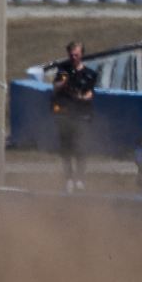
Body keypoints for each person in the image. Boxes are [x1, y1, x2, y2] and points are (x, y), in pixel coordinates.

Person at [52, 41, 98, 194]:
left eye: (76, 55)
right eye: (71, 55)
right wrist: (63, 84)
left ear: (81, 55)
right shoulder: (63, 70)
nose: (73, 57)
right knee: (66, 150)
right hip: (65, 114)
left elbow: (90, 94)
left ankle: (80, 179)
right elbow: (56, 87)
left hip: (82, 115)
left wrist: (82, 97)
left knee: (81, 148)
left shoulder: (90, 74)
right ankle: (68, 179)